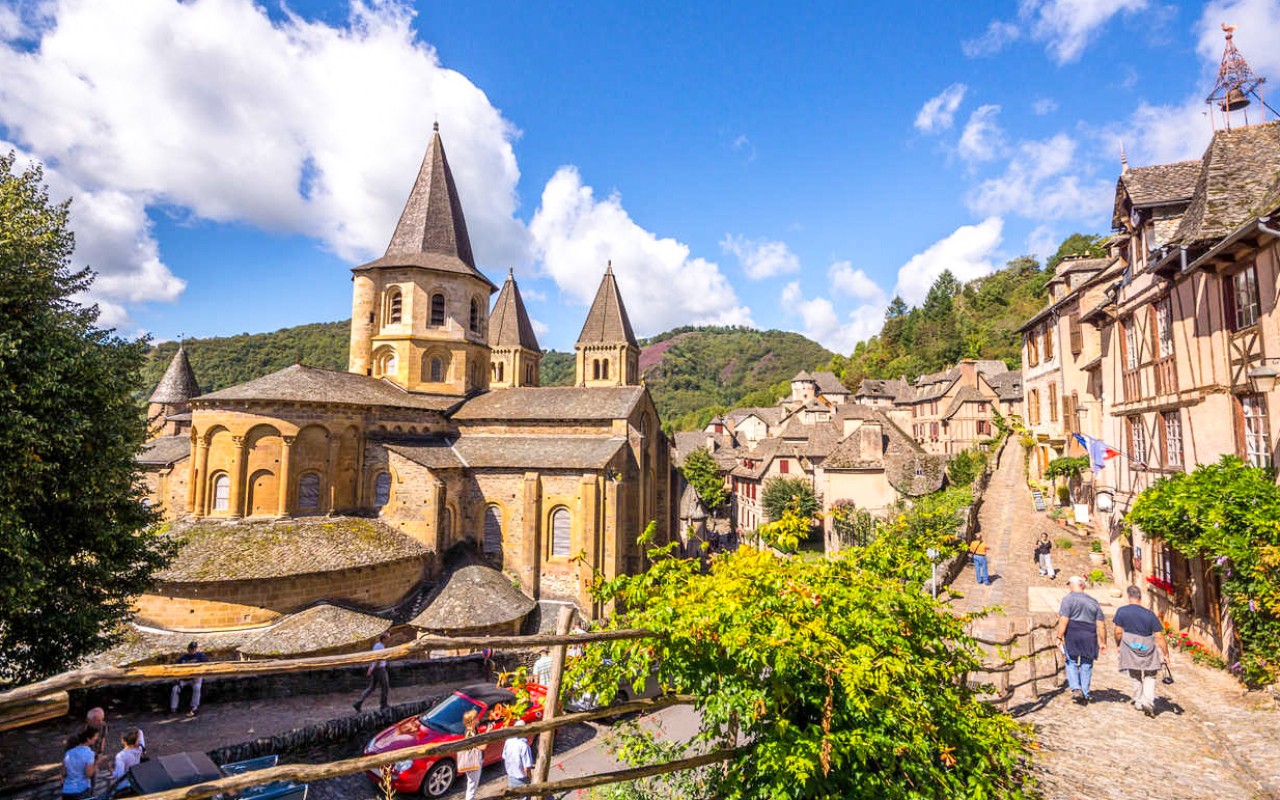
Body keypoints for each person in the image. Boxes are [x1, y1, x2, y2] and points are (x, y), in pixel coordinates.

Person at [1113, 585, 1171, 717]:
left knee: (1135, 675)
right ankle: (1148, 701)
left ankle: (1139, 701)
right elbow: (1159, 636)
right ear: (1140, 597)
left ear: (1128, 597)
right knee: (1150, 675)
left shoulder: (1122, 611)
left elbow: (1117, 632)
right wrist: (1166, 654)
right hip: (1148, 648)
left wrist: (1118, 644)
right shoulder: (1149, 614)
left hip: (1130, 647)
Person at [1055, 576, 1107, 704]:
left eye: (1069, 585)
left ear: (1074, 585)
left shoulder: (1068, 599)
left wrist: (1059, 636)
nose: (1069, 587)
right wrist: (1103, 642)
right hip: (1089, 634)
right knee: (1086, 664)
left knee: (1071, 661)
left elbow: (1064, 620)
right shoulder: (1093, 602)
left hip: (1073, 632)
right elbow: (1101, 624)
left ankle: (1076, 688)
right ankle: (1085, 692)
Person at [354, 632, 391, 713]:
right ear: (384, 639)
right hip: (380, 669)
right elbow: (378, 660)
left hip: (376, 669)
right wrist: (373, 668)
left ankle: (358, 702)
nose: (389, 640)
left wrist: (371, 669)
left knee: (372, 687)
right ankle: (383, 705)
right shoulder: (380, 647)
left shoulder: (377, 646)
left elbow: (373, 658)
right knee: (385, 687)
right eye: (388, 638)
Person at [61, 727, 100, 800]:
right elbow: (88, 774)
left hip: (66, 790)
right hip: (81, 790)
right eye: (95, 736)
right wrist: (96, 764)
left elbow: (64, 772)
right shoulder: (89, 753)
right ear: (88, 739)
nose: (97, 738)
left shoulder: (68, 753)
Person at [171, 641, 209, 716]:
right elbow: (175, 668)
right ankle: (173, 708)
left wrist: (200, 674)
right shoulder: (183, 658)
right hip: (184, 678)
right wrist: (177, 678)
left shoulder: (200, 656)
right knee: (175, 689)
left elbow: (207, 666)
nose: (192, 650)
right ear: (188, 649)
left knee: (197, 687)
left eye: (194, 648)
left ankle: (194, 708)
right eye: (191, 648)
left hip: (195, 678)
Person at [502, 719, 533, 800]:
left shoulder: (508, 741)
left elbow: (504, 756)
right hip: (521, 779)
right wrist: (530, 779)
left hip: (510, 777)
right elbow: (527, 768)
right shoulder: (524, 746)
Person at [457, 708, 484, 800]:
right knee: (472, 784)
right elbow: (482, 747)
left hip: (475, 760)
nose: (478, 718)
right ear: (471, 721)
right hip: (473, 762)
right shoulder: (470, 734)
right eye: (476, 717)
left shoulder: (474, 729)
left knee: (472, 783)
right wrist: (489, 733)